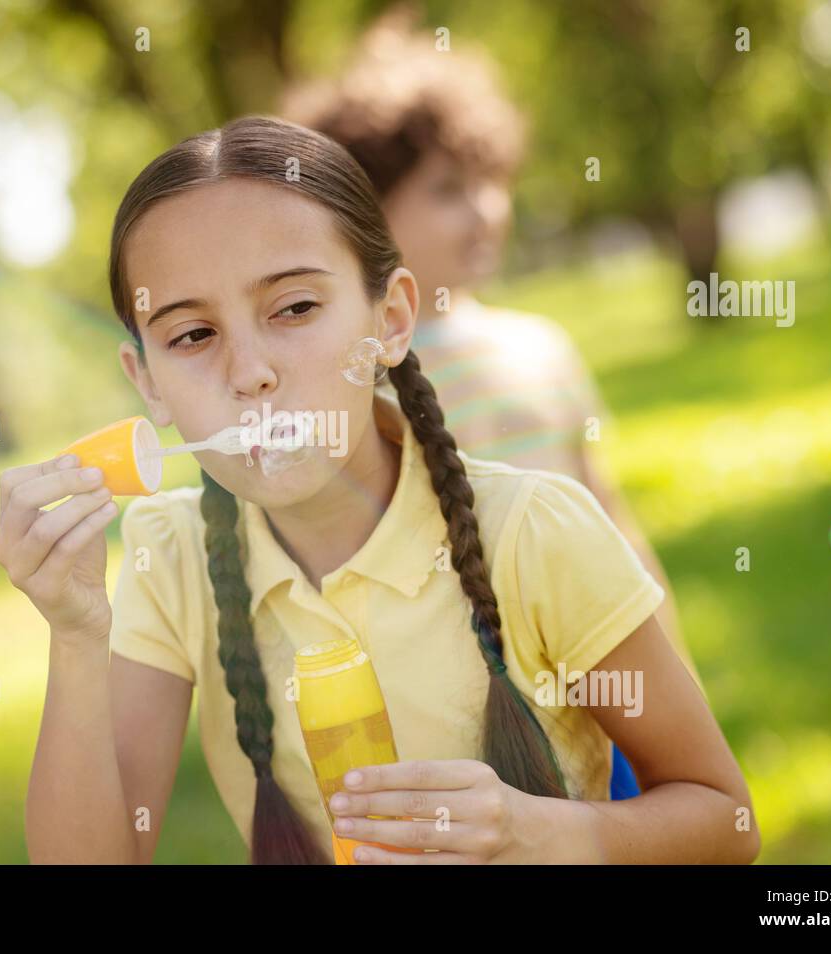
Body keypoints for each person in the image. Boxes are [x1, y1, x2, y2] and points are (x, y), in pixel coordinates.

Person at [0, 116, 757, 864]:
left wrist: (536, 837)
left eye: (294, 308)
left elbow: (725, 820)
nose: (249, 372)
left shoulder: (532, 530)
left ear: (390, 321)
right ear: (148, 384)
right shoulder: (170, 558)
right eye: (192, 335)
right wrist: (76, 634)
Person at [281, 11, 701, 797]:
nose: (485, 210)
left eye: (490, 182)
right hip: (467, 706)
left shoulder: (541, 344)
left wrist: (669, 662)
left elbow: (608, 514)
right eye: (446, 190)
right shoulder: (353, 374)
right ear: (365, 211)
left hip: (596, 673)